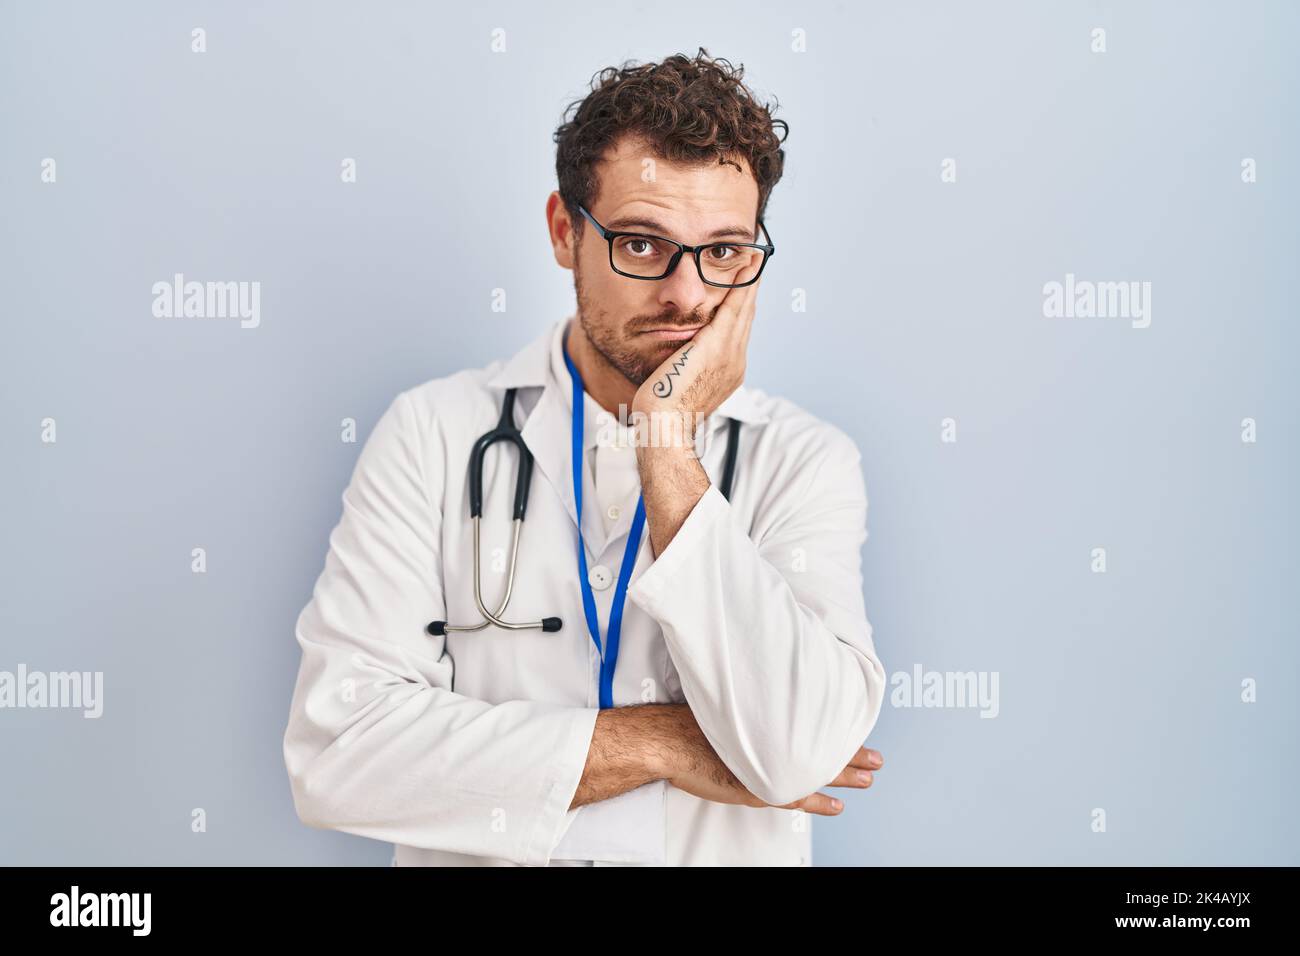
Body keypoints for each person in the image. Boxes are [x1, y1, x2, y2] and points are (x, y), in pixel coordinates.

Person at [282, 48, 886, 867]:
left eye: (724, 252)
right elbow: (338, 754)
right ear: (566, 233)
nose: (686, 294)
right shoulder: (431, 433)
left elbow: (799, 750)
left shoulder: (803, 461)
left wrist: (667, 442)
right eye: (642, 245)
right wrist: (669, 744)